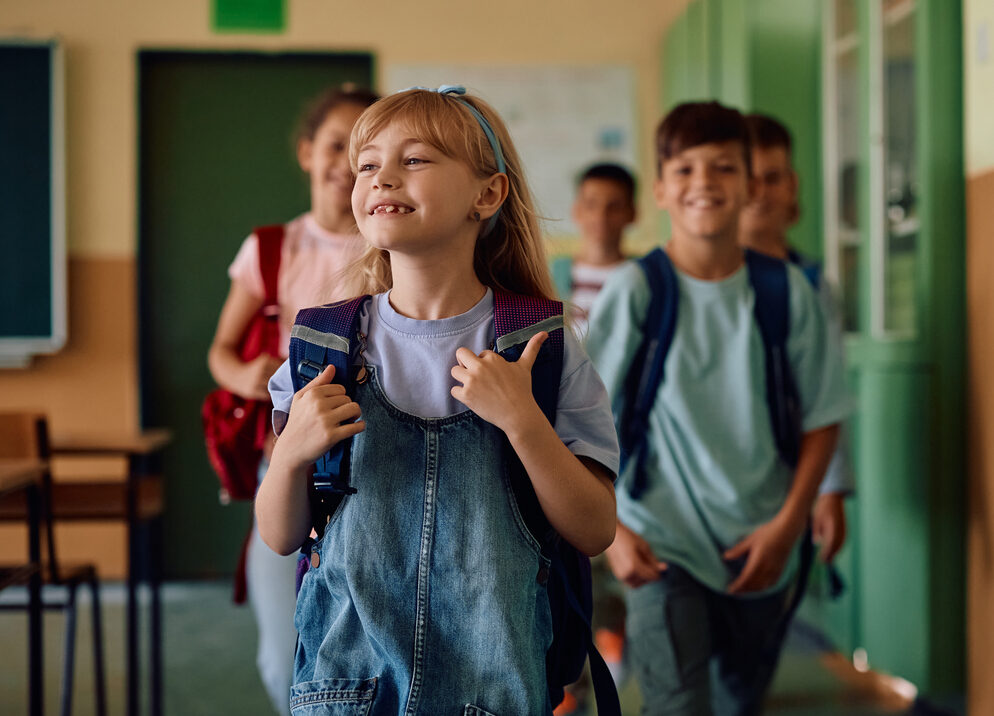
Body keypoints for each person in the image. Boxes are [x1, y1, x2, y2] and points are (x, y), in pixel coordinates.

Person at [256, 86, 619, 715]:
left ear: (488, 194)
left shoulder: (542, 348)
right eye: (367, 165)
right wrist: (289, 455)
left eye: (415, 160)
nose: (379, 177)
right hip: (347, 693)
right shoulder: (321, 346)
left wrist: (524, 424)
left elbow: (593, 528)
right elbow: (280, 533)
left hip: (492, 694)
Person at [585, 101, 851, 715]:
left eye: (724, 168)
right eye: (685, 170)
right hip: (659, 547)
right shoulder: (637, 291)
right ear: (660, 190)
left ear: (752, 186)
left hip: (763, 546)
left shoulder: (788, 294)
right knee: (677, 705)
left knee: (741, 701)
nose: (703, 183)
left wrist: (787, 527)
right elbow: (578, 421)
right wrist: (615, 534)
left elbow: (822, 418)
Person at [206, 84, 379, 715]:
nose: (346, 162)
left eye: (365, 149)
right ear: (307, 152)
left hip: (380, 462)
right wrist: (247, 375)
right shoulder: (273, 249)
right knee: (285, 652)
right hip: (290, 460)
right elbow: (220, 350)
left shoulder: (395, 243)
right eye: (336, 144)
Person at [739, 112, 855, 566]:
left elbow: (828, 394)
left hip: (792, 480)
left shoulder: (811, 283)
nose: (759, 192)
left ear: (792, 185)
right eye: (749, 177)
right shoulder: (698, 278)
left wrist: (830, 488)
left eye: (773, 178)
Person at [551, 163, 637, 334]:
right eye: (591, 204)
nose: (601, 216)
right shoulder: (550, 275)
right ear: (577, 210)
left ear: (632, 213)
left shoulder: (643, 275)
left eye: (614, 206)